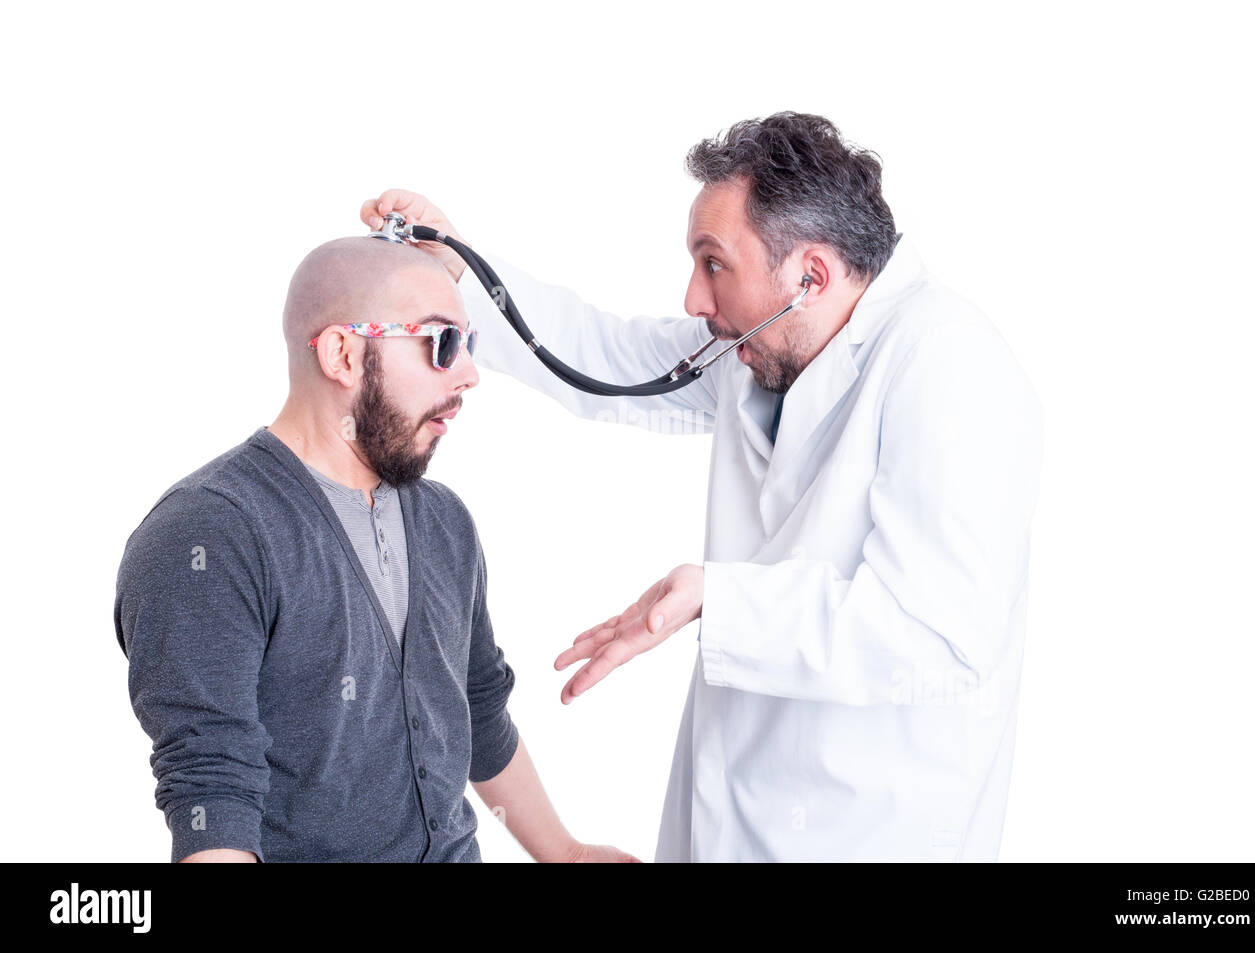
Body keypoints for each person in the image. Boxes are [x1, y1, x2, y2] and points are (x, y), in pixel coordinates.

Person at [361, 111, 1044, 862]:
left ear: (808, 275)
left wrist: (723, 599)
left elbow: (942, 636)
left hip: (868, 835)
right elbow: (606, 358)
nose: (694, 298)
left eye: (713, 263)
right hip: (728, 825)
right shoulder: (769, 342)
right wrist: (463, 270)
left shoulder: (949, 364)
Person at [114, 235, 637, 863]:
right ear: (343, 353)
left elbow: (475, 712)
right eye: (442, 343)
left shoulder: (446, 521)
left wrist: (566, 853)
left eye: (469, 345)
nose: (471, 373)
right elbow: (212, 790)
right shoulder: (209, 533)